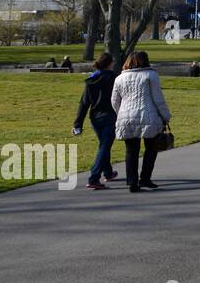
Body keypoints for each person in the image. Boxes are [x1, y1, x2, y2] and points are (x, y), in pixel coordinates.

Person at [112, 51, 171, 193]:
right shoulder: (151, 75)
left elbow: (114, 101)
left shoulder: (120, 78)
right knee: (151, 148)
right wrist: (165, 115)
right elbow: (158, 98)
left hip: (126, 117)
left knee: (131, 150)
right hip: (148, 115)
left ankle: (132, 182)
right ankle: (145, 178)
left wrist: (121, 113)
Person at [72, 53, 120, 190]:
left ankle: (108, 172)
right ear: (110, 63)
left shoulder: (92, 79)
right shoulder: (114, 78)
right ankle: (94, 177)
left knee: (104, 145)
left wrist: (78, 124)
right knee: (104, 146)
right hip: (110, 115)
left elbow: (84, 103)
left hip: (95, 117)